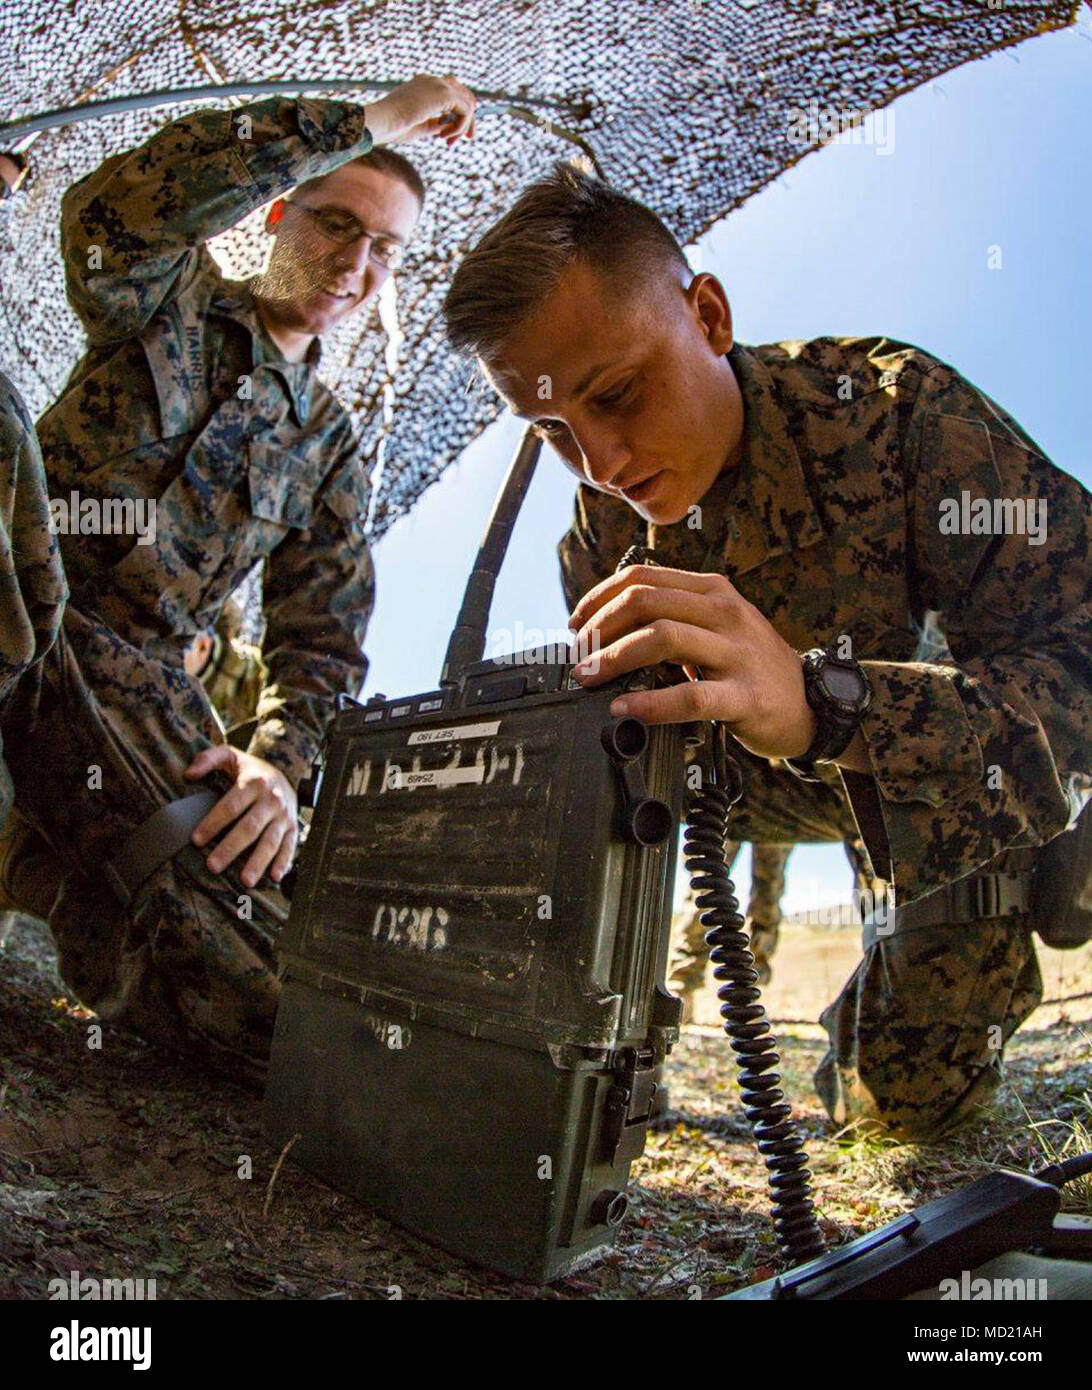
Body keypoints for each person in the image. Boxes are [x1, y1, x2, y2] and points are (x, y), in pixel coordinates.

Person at [442, 162, 1091, 1140]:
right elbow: (632, 772)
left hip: (942, 768)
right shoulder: (599, 538)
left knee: (903, 1102)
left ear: (707, 314)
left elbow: (1081, 651)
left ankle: (1056, 843)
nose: (605, 465)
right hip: (761, 780)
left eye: (617, 393)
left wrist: (836, 705)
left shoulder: (896, 413)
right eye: (555, 434)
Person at [0, 73, 477, 1080]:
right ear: (275, 208)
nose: (354, 261)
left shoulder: (327, 446)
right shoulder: (162, 293)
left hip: (133, 692)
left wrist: (276, 767)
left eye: (384, 248)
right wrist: (371, 122)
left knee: (270, 990)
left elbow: (323, 639)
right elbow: (119, 207)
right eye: (335, 222)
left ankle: (49, 883)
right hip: (22, 610)